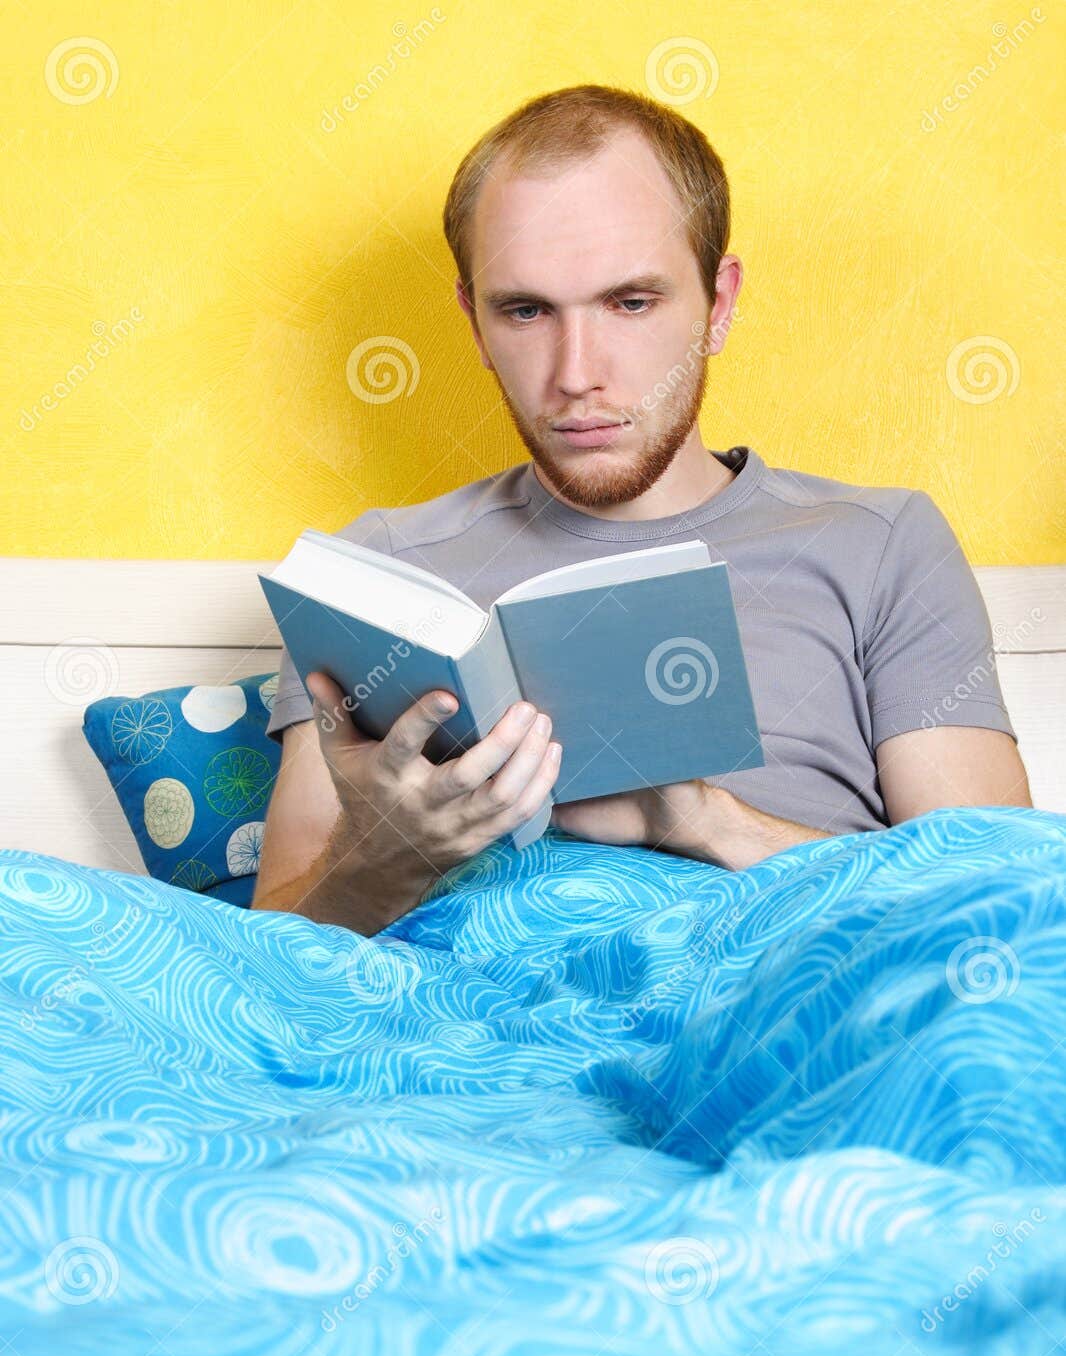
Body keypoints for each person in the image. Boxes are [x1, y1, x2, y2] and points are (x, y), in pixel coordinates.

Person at [252, 83, 1030, 935]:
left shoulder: (880, 547)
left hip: (768, 992)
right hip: (458, 1015)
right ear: (474, 322)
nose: (577, 372)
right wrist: (385, 859)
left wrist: (699, 819)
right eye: (526, 309)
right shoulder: (381, 572)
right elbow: (268, 954)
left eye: (630, 303)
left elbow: (1000, 909)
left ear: (718, 305)